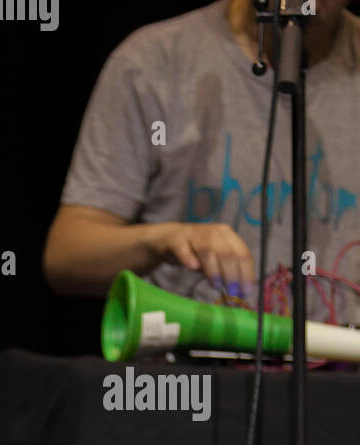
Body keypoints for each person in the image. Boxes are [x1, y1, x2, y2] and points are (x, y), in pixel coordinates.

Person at [43, 0, 360, 325]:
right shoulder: (152, 61)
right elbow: (66, 255)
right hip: (190, 370)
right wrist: (163, 240)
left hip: (345, 369)